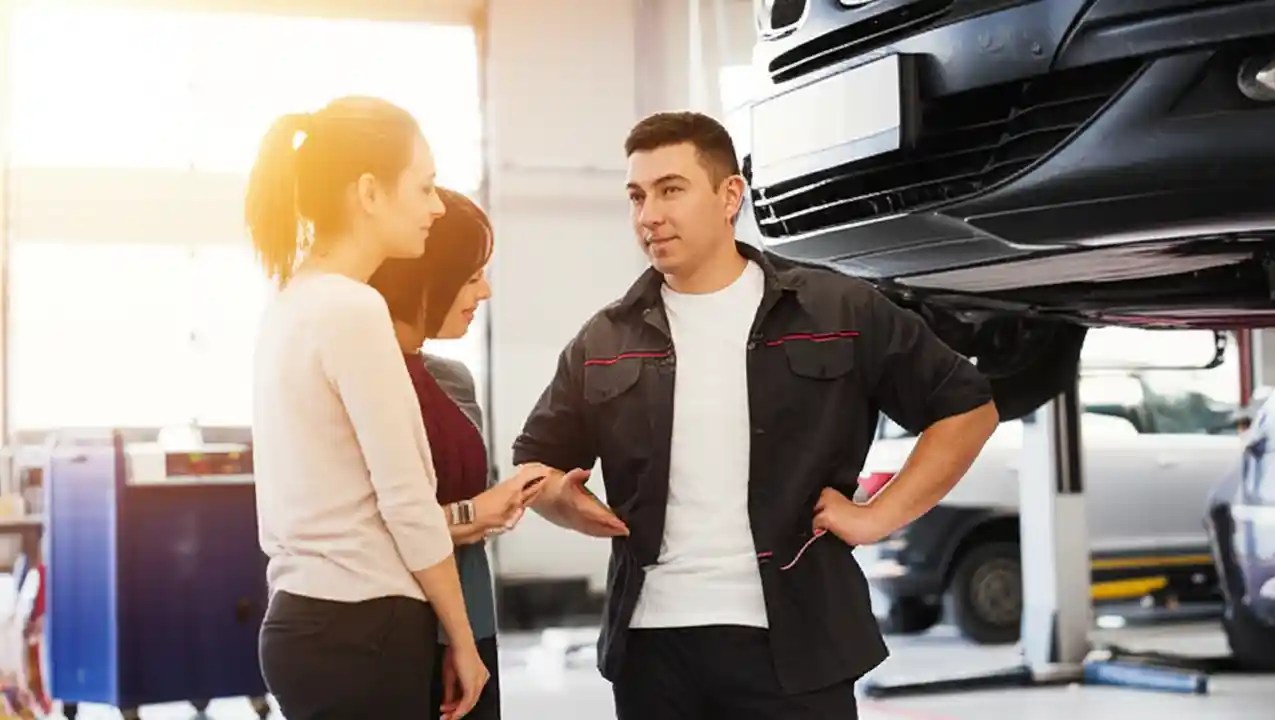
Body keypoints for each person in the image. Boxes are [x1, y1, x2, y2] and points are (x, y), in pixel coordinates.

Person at [513, 111, 1000, 719]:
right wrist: (563, 501)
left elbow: (967, 408)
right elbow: (535, 461)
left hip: (795, 643)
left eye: (671, 189)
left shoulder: (836, 309)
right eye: (637, 196)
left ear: (729, 196)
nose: (649, 215)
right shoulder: (607, 335)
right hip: (651, 648)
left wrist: (880, 517)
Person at [245, 96, 498, 720]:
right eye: (425, 186)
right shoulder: (355, 311)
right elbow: (407, 501)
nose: (436, 208)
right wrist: (463, 641)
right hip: (366, 627)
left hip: (300, 621)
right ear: (368, 193)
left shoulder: (289, 301)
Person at [368, 187, 542, 720]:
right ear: (423, 279)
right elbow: (369, 531)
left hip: (471, 628)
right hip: (394, 634)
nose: (485, 291)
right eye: (470, 277)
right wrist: (471, 515)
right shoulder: (363, 378)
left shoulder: (453, 381)